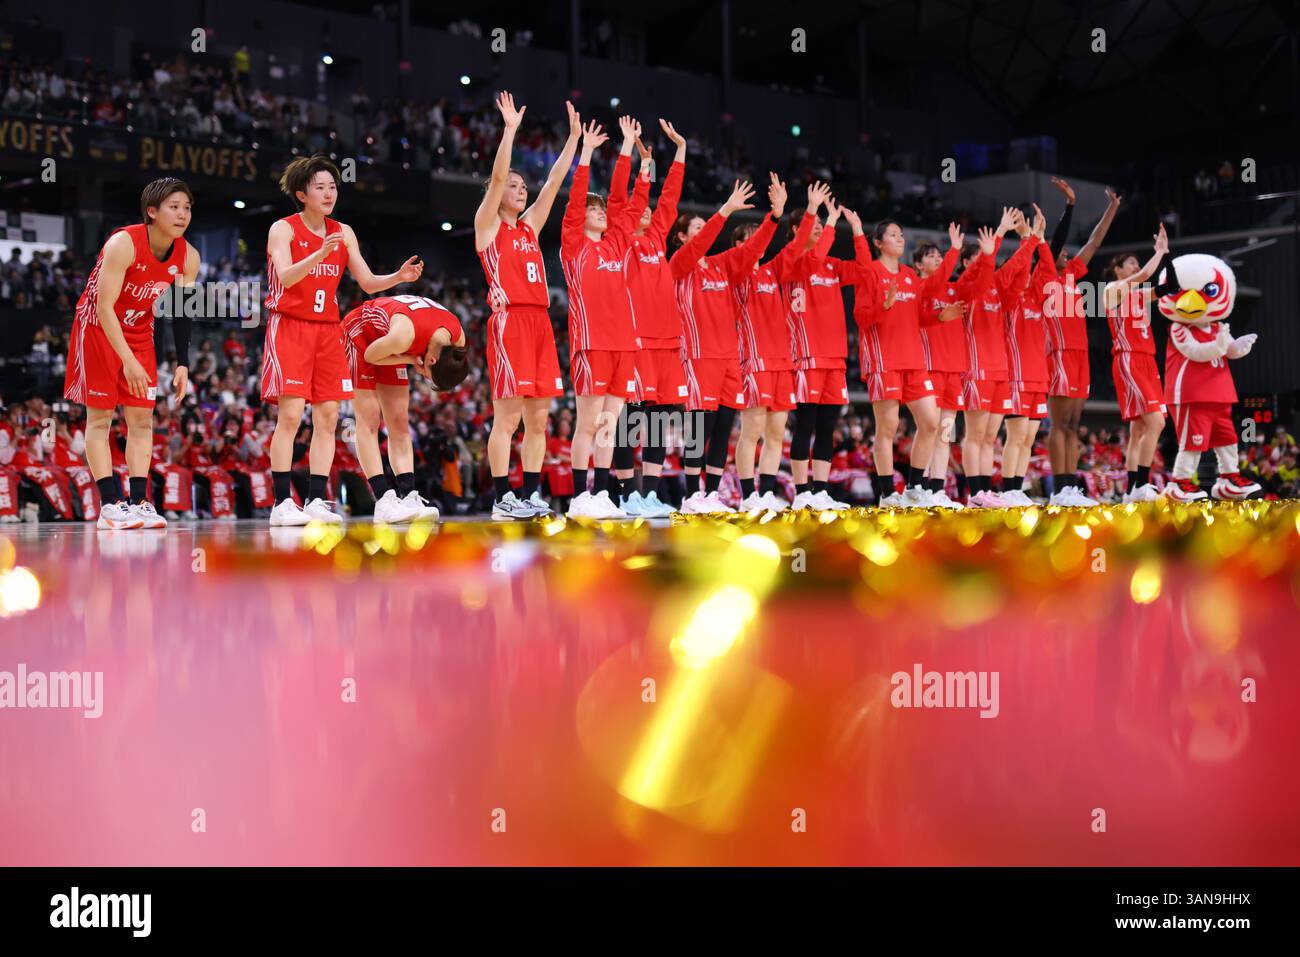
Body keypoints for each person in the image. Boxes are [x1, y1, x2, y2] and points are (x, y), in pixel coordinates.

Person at [262, 154, 424, 526]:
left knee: (329, 417)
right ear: (302, 194)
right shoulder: (283, 229)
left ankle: (317, 499)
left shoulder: (343, 231)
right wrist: (317, 254)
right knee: (289, 416)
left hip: (327, 331)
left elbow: (366, 283)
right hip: (290, 326)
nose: (329, 192)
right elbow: (285, 277)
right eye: (320, 187)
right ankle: (282, 503)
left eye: (333, 186)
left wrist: (397, 276)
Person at [63, 177, 200, 530]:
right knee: (100, 418)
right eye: (174, 207)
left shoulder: (189, 256)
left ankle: (139, 501)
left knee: (142, 419)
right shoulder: (123, 243)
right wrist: (128, 361)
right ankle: (109, 505)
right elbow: (104, 306)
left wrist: (182, 362)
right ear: (151, 212)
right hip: (97, 327)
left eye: (186, 207)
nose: (182, 214)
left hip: (140, 330)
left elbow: (182, 312)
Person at [474, 91, 581, 521]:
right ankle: (502, 499)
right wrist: (510, 131)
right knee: (510, 420)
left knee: (538, 421)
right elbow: (498, 179)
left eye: (523, 187)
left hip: (539, 325)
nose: (520, 190)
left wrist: (574, 140)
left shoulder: (530, 228)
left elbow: (555, 183)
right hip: (509, 322)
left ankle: (532, 495)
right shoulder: (487, 225)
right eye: (513, 187)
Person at [559, 116, 649, 519]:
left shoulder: (616, 242)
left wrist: (630, 150)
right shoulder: (574, 242)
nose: (599, 213)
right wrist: (588, 153)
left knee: (612, 423)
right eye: (592, 210)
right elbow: (577, 199)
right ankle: (580, 494)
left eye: (600, 210)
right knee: (589, 422)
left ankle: (599, 493)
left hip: (623, 344)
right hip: (592, 343)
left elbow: (630, 204)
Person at [605, 120, 687, 519]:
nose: (649, 211)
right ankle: (626, 493)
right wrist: (636, 162)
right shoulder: (620, 240)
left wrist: (678, 153)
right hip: (635, 341)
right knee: (628, 419)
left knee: (660, 418)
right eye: (643, 207)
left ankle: (650, 494)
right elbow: (621, 197)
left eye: (651, 210)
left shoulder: (656, 238)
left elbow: (669, 199)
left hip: (667, 343)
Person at [342, 294, 469, 522]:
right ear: (430, 361)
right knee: (369, 420)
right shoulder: (404, 337)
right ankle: (382, 499)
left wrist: (409, 358)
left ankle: (409, 494)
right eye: (429, 378)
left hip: (391, 341)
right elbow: (371, 355)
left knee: (399, 422)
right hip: (360, 337)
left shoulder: (458, 340)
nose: (425, 378)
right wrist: (411, 360)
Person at [1043, 180, 1121, 506]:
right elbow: (1057, 242)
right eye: (1059, 250)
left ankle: (1071, 488)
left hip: (1080, 355)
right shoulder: (1044, 276)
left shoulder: (1073, 274)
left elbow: (1095, 240)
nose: (1066, 252)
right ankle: (1059, 489)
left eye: (1065, 251)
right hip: (1058, 353)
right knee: (1060, 423)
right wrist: (1070, 205)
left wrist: (1112, 208)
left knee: (1074, 424)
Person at [1101, 224, 1170, 503]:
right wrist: (1160, 252)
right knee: (1157, 422)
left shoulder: (1137, 294)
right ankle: (1141, 484)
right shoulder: (1113, 289)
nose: (1136, 266)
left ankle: (1132, 491)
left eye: (1136, 263)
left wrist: (1172, 260)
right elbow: (1145, 275)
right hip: (1129, 358)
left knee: (1140, 428)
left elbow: (1165, 289)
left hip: (1147, 360)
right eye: (1130, 262)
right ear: (1118, 269)